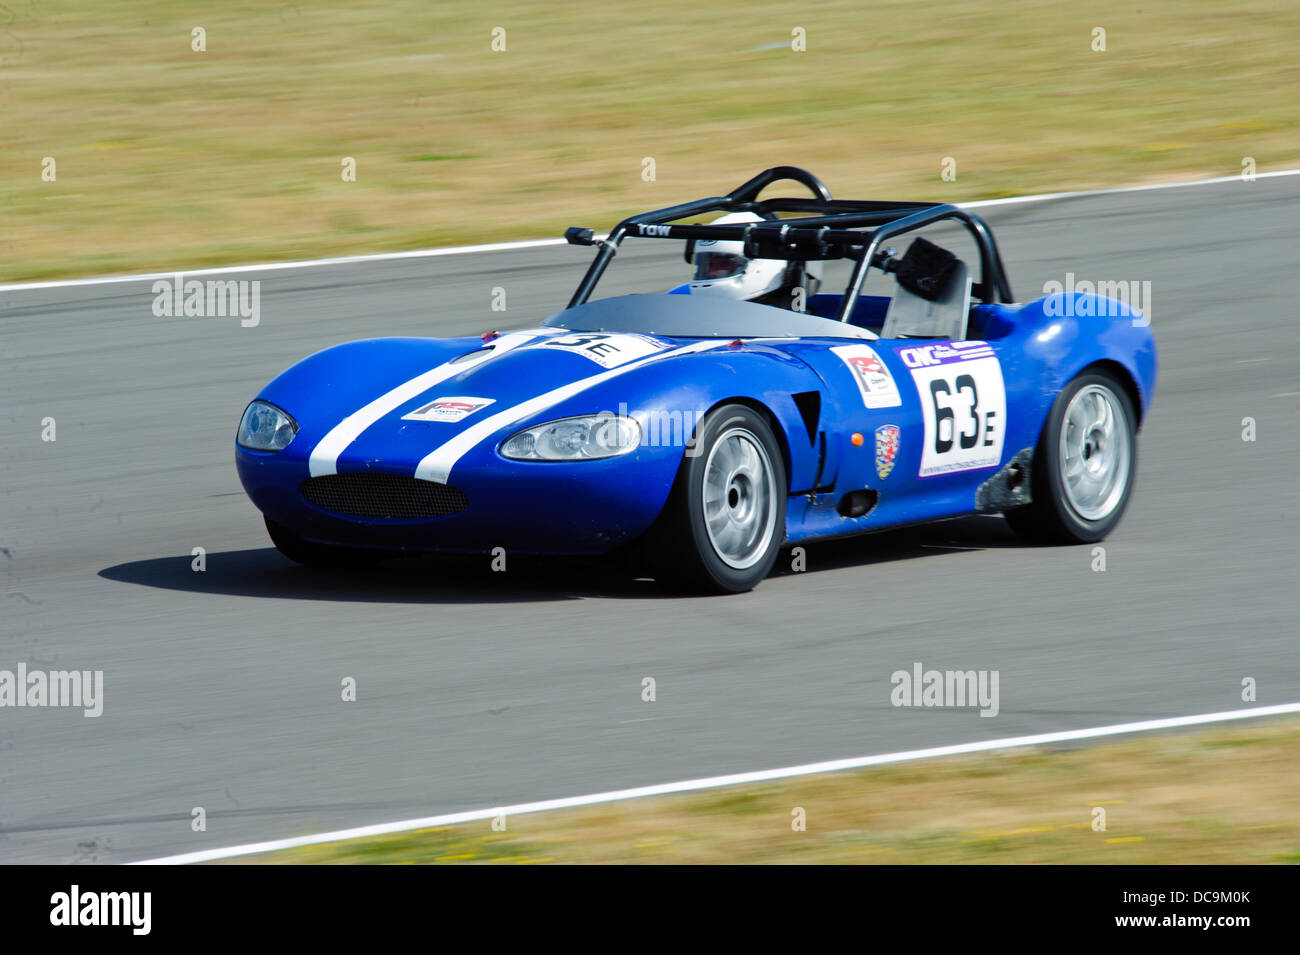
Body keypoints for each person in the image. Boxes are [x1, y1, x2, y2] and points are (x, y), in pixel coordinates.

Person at [689, 211, 822, 310]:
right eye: (708, 265)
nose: (711, 273)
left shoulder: (787, 322)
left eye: (724, 264)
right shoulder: (688, 309)